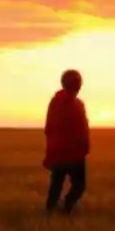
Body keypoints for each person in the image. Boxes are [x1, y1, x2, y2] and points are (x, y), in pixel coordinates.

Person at [43, 69, 90, 214]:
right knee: (76, 186)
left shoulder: (59, 103)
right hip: (69, 153)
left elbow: (49, 128)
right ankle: (64, 208)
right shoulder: (70, 104)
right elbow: (82, 128)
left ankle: (57, 211)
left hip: (64, 152)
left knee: (59, 186)